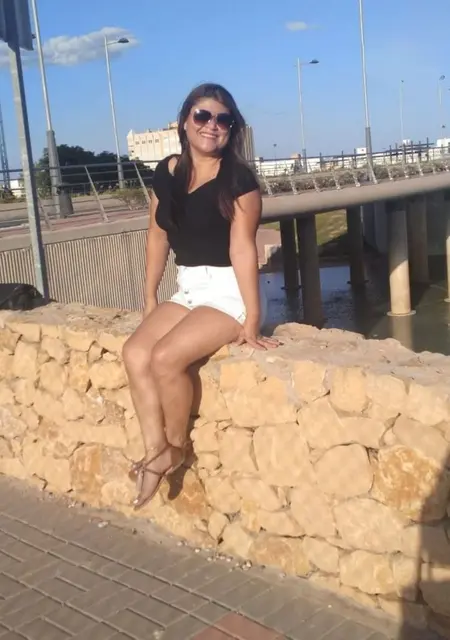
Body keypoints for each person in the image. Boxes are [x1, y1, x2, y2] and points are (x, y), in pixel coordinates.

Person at [122, 83, 278, 510]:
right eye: (203, 116)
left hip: (229, 291)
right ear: (185, 121)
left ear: (232, 128)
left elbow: (243, 249)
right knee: (135, 352)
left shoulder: (239, 180)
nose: (212, 125)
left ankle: (175, 446)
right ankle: (155, 451)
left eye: (223, 119)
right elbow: (157, 234)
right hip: (189, 285)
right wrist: (150, 296)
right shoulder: (167, 171)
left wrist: (252, 318)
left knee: (165, 358)